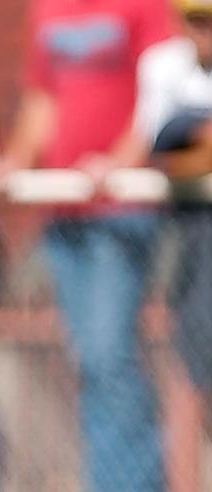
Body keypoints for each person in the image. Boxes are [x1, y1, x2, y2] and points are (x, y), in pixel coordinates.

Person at [0, 0, 178, 492]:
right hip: (64, 213)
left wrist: (121, 162)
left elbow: (160, 95)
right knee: (87, 363)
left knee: (109, 358)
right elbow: (42, 99)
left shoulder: (147, 8)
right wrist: (18, 160)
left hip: (119, 211)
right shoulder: (47, 10)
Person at [137, 0, 212, 409]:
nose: (206, 32)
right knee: (193, 371)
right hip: (188, 235)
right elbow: (162, 156)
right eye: (198, 21)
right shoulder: (163, 66)